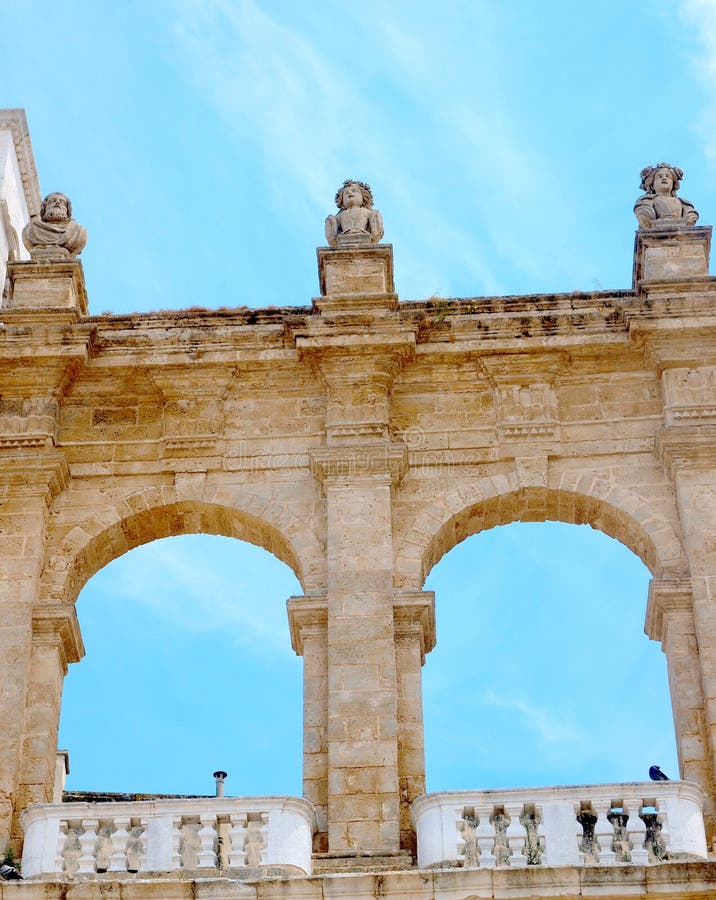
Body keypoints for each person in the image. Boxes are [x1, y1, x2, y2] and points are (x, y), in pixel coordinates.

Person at [22, 192, 87, 259]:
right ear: (44, 207)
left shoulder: (77, 232)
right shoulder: (31, 230)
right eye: (53, 201)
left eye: (62, 202)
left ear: (67, 211)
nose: (57, 203)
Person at [634, 164, 698, 229]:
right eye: (660, 177)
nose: (664, 178)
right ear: (652, 185)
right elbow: (644, 216)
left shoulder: (682, 202)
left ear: (673, 184)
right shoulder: (647, 201)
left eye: (668, 176)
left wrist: (690, 218)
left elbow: (691, 216)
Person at [325, 179, 384, 247]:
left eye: (354, 191)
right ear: (342, 201)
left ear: (364, 197)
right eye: (346, 193)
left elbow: (376, 231)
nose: (350, 193)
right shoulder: (339, 216)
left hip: (364, 238)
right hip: (344, 240)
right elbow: (331, 233)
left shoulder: (370, 213)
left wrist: (374, 237)